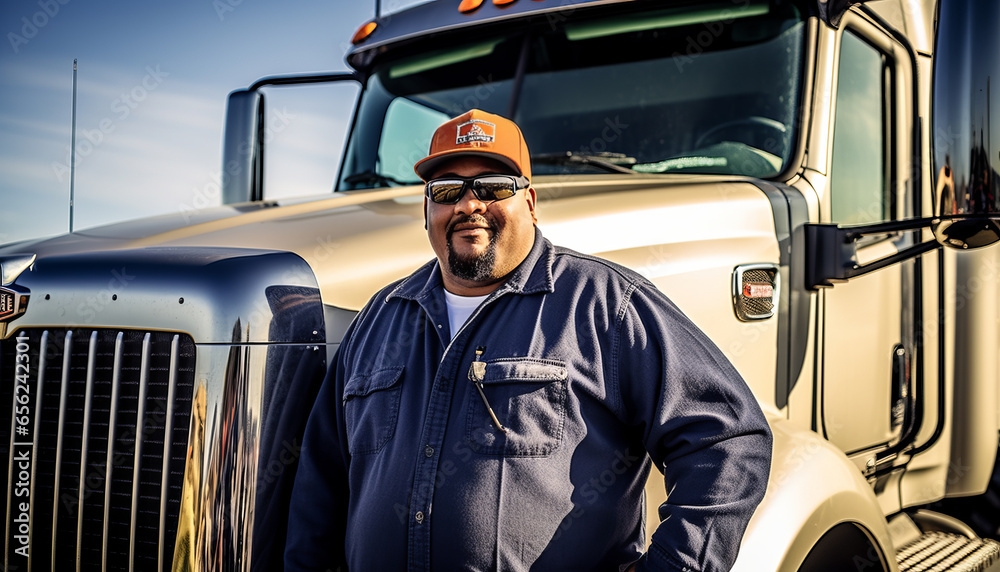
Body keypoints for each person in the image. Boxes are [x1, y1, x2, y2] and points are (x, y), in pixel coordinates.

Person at [285, 109, 772, 571]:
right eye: (447, 189)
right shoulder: (379, 317)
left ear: (531, 203)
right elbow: (320, 485)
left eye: (494, 187)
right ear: (427, 207)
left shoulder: (606, 304)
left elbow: (728, 439)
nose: (468, 204)